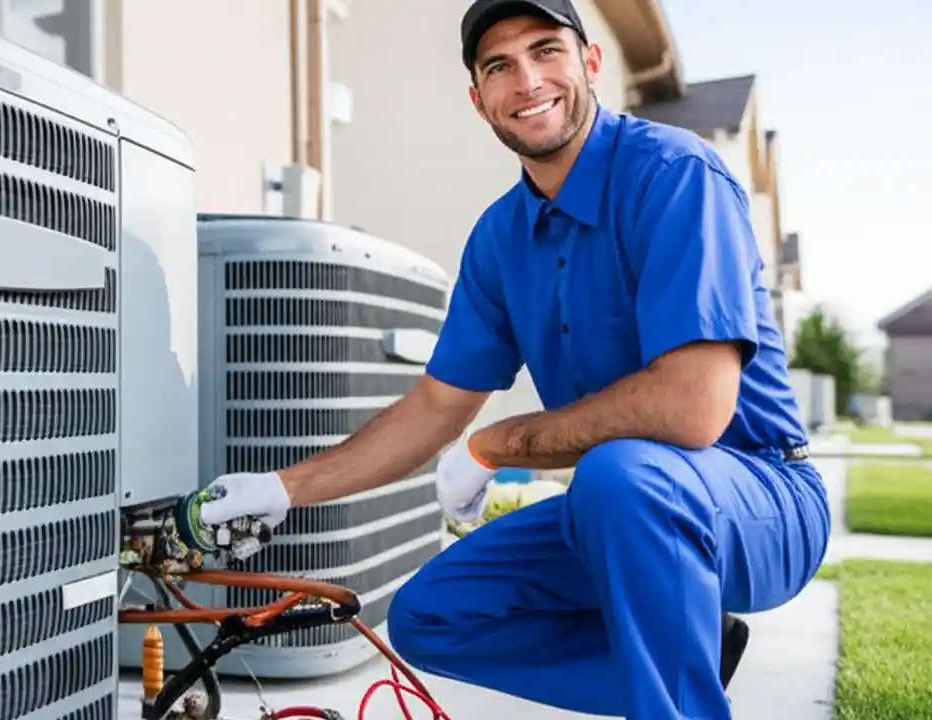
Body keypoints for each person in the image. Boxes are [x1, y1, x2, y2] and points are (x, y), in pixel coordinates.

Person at [197, 0, 832, 717]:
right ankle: (689, 649)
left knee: (619, 474)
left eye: (546, 51)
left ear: (591, 63)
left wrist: (496, 443)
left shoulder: (675, 175)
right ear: (479, 101)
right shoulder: (500, 238)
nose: (527, 81)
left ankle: (676, 691)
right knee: (434, 613)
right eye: (499, 66)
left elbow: (691, 407)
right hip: (625, 507)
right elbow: (436, 404)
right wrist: (282, 489)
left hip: (762, 497)